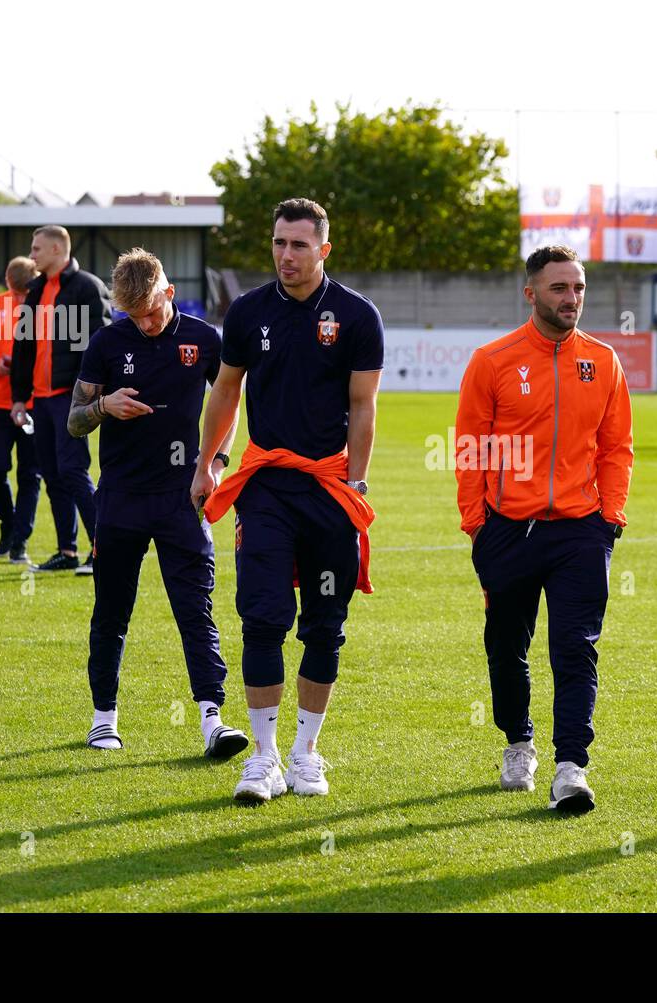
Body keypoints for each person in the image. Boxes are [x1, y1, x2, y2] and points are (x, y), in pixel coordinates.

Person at [193, 198, 383, 803]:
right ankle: (264, 758)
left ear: (323, 250)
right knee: (262, 617)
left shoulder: (356, 315)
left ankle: (305, 752)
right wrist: (206, 462)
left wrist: (356, 483)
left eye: (299, 245)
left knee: (324, 627)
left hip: (329, 489)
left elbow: (363, 405)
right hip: (267, 487)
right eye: (279, 243)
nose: (287, 255)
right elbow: (226, 390)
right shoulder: (248, 311)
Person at [454, 245, 634, 815]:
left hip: (581, 531)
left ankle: (571, 767)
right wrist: (478, 526)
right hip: (509, 530)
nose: (571, 298)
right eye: (559, 288)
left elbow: (617, 447)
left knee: (576, 648)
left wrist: (611, 518)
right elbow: (471, 448)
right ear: (531, 293)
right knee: (507, 646)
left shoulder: (603, 361)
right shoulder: (492, 361)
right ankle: (518, 743)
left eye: (578, 287)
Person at [67, 248, 248, 759]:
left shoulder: (204, 339)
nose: (143, 323)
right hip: (119, 498)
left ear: (169, 293)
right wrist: (105, 406)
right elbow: (73, 419)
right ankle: (103, 720)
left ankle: (213, 721)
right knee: (111, 612)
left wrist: (216, 462)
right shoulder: (107, 342)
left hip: (181, 497)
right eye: (133, 315)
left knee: (195, 610)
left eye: (149, 311)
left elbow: (228, 401)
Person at [10, 225, 111, 575]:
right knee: (53, 474)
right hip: (40, 400)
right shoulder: (36, 290)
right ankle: (67, 551)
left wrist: (89, 395)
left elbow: (100, 344)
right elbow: (23, 348)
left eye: (36, 248)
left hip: (71, 398)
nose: (31, 254)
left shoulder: (87, 287)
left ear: (56, 249)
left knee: (72, 470)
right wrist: (19, 397)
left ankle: (102, 549)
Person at [0, 257, 41, 563]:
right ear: (7, 284)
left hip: (34, 403)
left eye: (25, 294)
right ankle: (9, 523)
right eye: (15, 294)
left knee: (30, 474)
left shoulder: (47, 309)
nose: (20, 300)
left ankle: (20, 540)